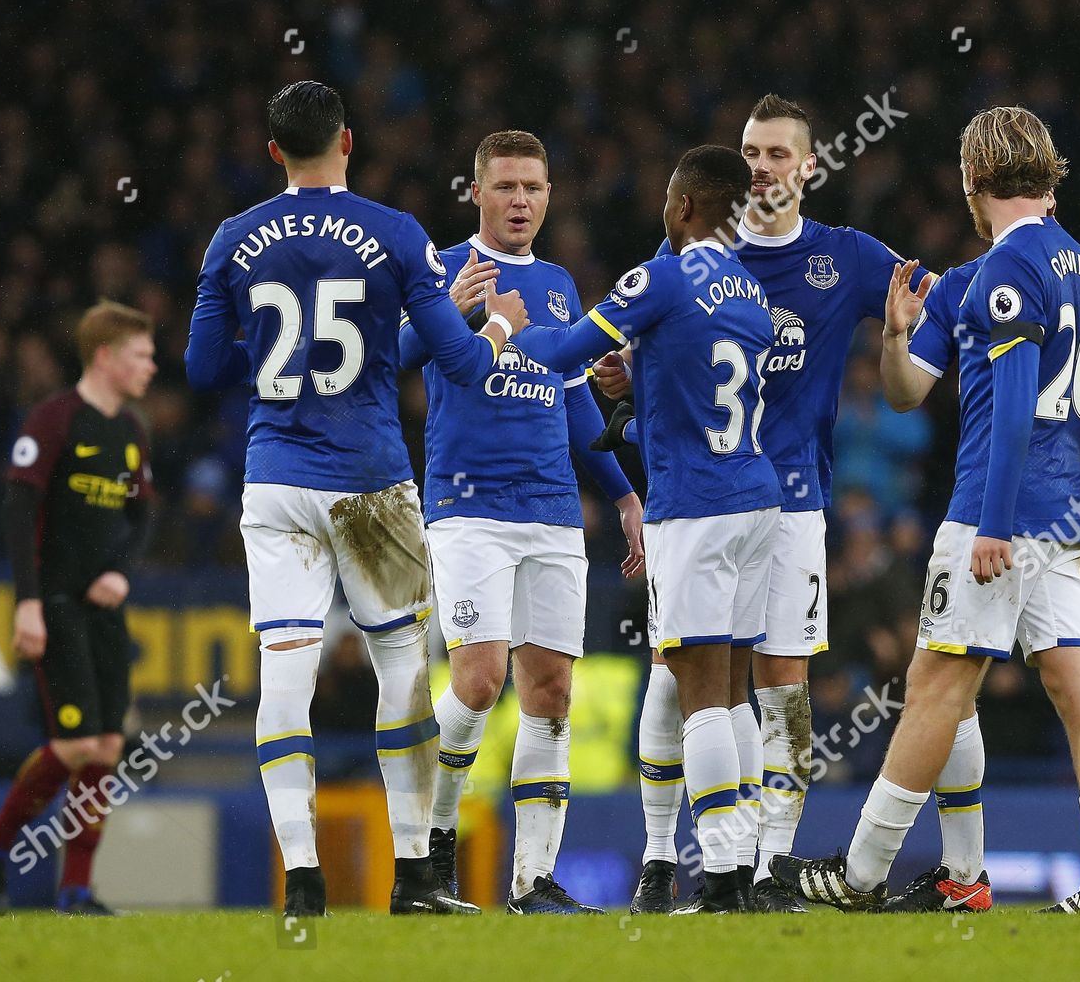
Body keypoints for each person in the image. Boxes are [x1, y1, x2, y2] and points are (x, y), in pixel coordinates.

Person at [772, 106, 1080, 913]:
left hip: (996, 511)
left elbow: (1013, 410)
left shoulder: (1004, 276)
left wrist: (993, 527)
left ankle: (862, 875)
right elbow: (913, 394)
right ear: (1050, 177)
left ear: (972, 183)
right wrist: (895, 338)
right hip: (1070, 521)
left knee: (937, 686)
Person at [184, 80, 527, 916]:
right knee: (403, 671)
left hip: (274, 483)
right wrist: (496, 327)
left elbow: (200, 370)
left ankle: (302, 881)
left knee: (284, 678)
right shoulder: (396, 234)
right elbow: (456, 363)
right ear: (348, 140)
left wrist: (271, 357)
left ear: (274, 151)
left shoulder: (232, 240)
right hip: (370, 483)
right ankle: (412, 876)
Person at [593, 95, 929, 913]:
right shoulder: (693, 255)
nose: (762, 168)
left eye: (779, 154)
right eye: (749, 153)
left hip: (793, 502)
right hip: (704, 498)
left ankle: (765, 866)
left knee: (780, 685)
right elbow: (634, 356)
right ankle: (658, 858)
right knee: (680, 679)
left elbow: (935, 296)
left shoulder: (844, 257)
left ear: (810, 166)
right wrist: (622, 380)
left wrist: (902, 335)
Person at [513, 144, 781, 913]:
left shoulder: (663, 277)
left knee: (696, 692)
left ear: (687, 206)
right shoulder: (751, 294)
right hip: (755, 497)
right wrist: (645, 379)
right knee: (733, 692)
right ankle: (748, 868)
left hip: (695, 508)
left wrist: (502, 332)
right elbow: (697, 395)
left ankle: (724, 879)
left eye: (670, 200)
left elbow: (565, 353)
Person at [874, 221, 1080, 911]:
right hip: (1020, 513)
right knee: (966, 683)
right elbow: (907, 392)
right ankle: (992, 873)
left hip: (1062, 521)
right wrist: (893, 338)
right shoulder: (967, 284)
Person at [398, 130, 642, 914]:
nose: (520, 201)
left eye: (533, 188)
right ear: (476, 192)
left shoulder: (564, 286)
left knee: (554, 690)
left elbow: (574, 402)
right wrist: (453, 312)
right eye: (505, 187)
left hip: (552, 512)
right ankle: (425, 856)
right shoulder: (440, 270)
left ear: (548, 196)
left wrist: (623, 493)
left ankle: (532, 881)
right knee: (477, 677)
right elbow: (392, 356)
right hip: (469, 509)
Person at [0, 301, 157, 916]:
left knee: (106, 747)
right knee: (76, 745)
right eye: (140, 354)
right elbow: (18, 512)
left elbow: (142, 514)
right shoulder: (52, 420)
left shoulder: (130, 432)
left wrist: (120, 574)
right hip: (54, 601)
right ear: (104, 357)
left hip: (104, 607)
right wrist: (27, 604)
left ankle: (75, 889)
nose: (152, 366)